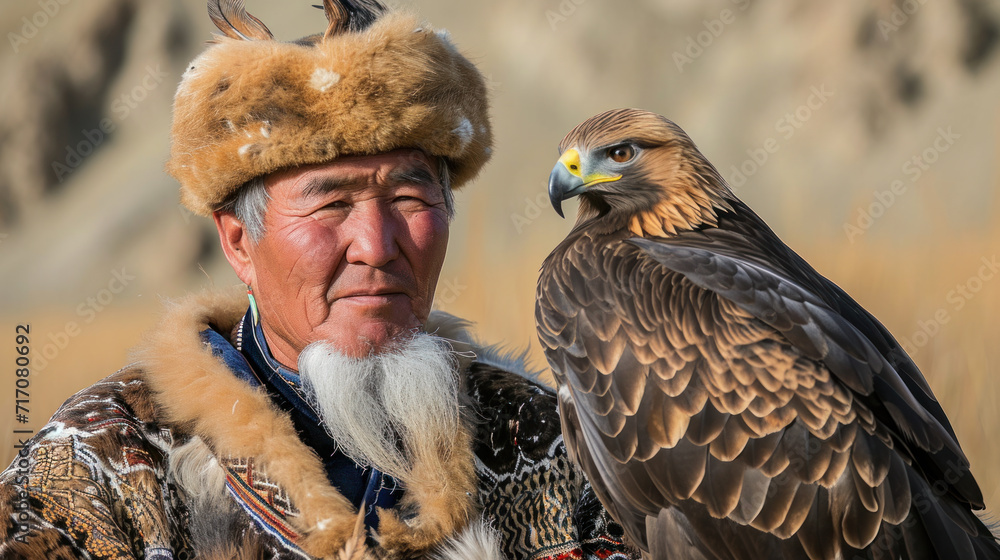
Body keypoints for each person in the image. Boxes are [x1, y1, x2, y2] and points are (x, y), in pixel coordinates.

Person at [0, 1, 638, 559]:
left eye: (411, 199)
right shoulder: (101, 466)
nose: (378, 246)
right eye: (332, 204)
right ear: (239, 243)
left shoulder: (556, 446)